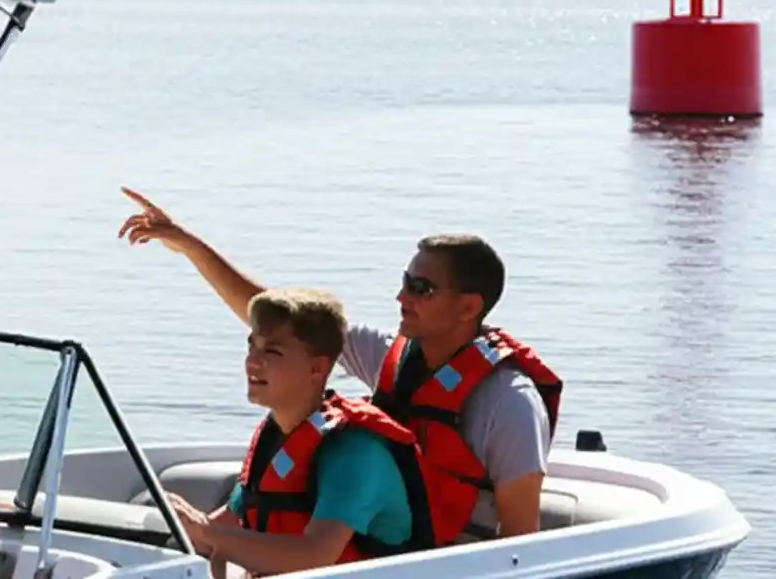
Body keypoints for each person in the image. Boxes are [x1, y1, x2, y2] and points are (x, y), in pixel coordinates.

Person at [118, 186, 563, 541]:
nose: (401, 297)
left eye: (421, 288)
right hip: (379, 548)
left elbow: (522, 544)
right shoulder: (393, 355)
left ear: (469, 308)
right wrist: (188, 245)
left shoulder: (510, 404)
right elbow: (286, 325)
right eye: (406, 281)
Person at [165, 286, 436, 576]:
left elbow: (314, 556)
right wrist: (180, 526)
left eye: (272, 351)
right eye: (251, 347)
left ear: (317, 369)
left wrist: (205, 532)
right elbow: (227, 528)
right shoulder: (275, 436)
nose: (252, 362)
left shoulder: (356, 453)